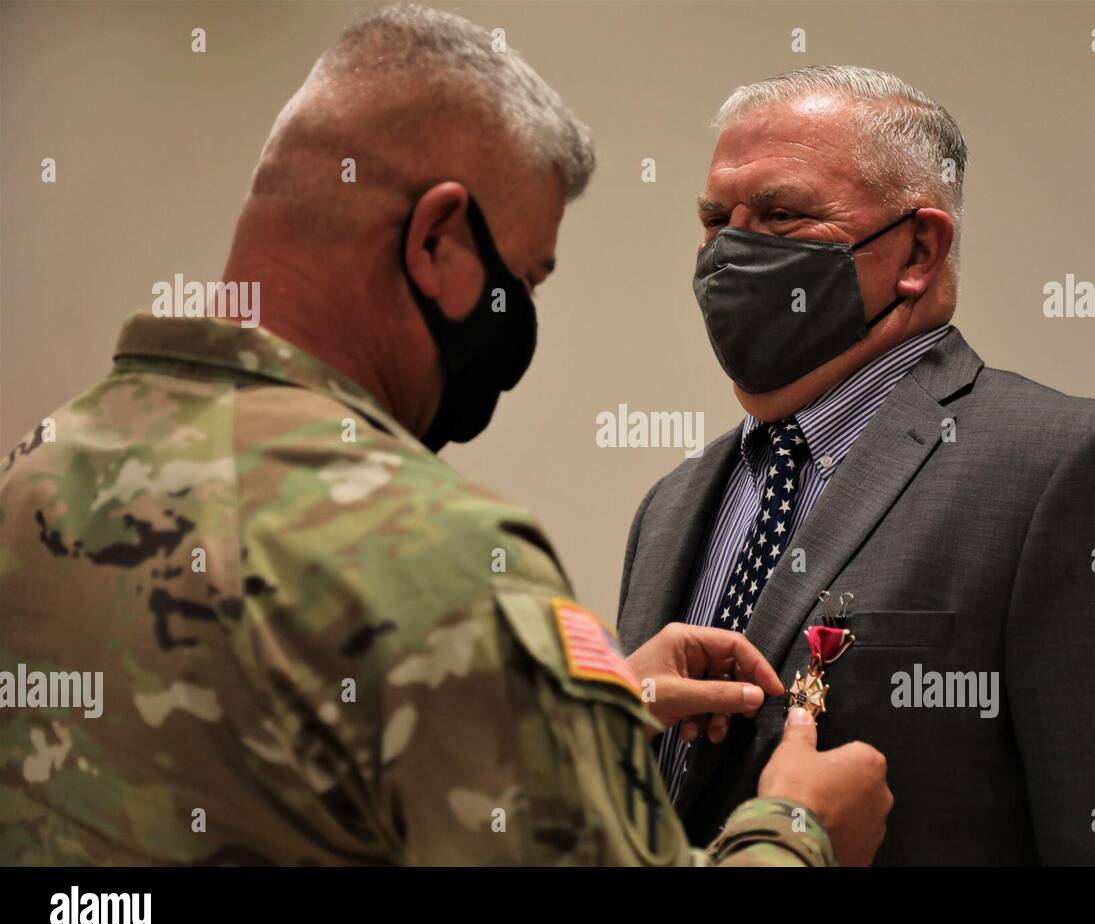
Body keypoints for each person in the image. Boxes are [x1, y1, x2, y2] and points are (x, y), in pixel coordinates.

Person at [0, 8, 893, 866]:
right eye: (525, 281)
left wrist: (576, 713)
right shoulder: (438, 559)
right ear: (436, 241)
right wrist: (800, 833)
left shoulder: (43, 467)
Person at [617, 65, 1095, 865]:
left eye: (782, 216)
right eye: (716, 219)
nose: (729, 253)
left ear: (918, 250)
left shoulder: (1066, 473)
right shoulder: (672, 505)